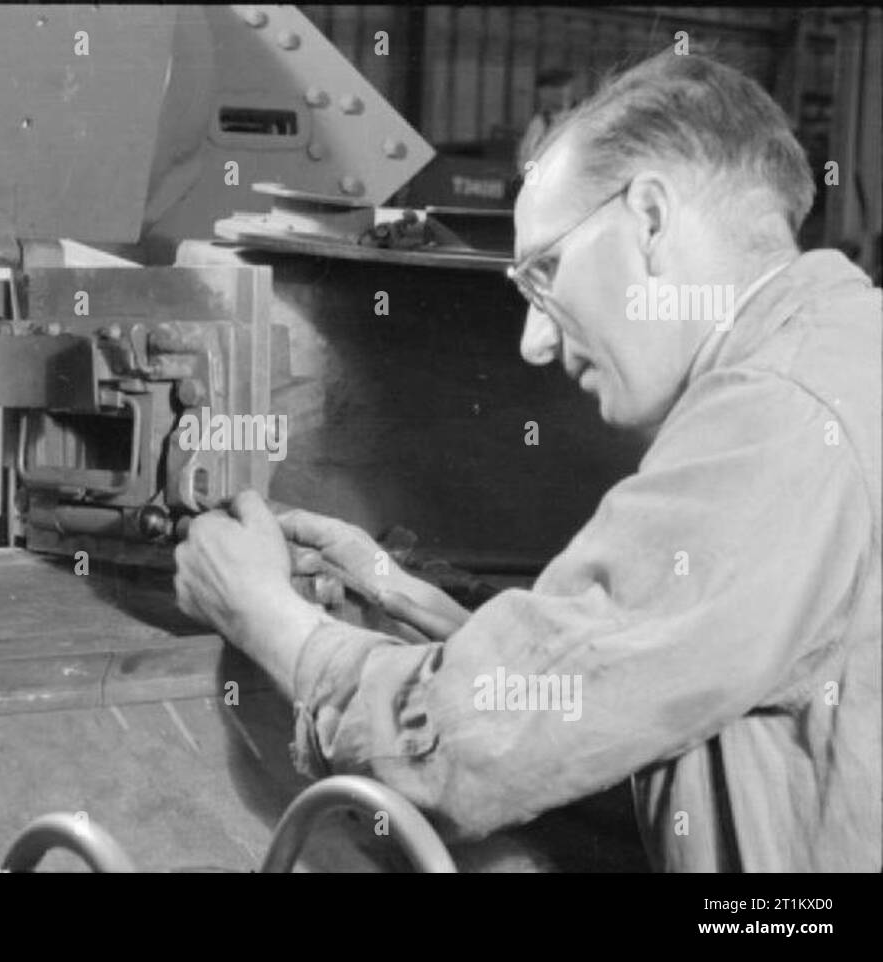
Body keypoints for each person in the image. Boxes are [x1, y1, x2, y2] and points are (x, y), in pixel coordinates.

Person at [174, 49, 881, 872]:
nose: (534, 340)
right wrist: (413, 602)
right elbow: (651, 692)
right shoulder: (846, 355)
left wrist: (264, 614)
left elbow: (469, 758)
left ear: (650, 218)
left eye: (544, 274)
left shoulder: (777, 420)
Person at [517, 68, 577, 175]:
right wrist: (533, 182)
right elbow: (527, 158)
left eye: (564, 86)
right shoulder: (540, 123)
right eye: (555, 87)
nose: (562, 91)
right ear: (542, 92)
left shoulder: (583, 118)